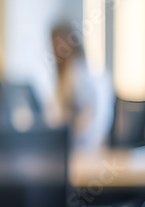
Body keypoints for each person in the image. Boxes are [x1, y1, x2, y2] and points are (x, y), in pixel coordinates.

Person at [47, 21, 113, 149]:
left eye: (61, 40)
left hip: (88, 146)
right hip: (71, 145)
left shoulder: (83, 73)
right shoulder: (64, 72)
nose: (57, 47)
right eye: (54, 42)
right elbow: (56, 113)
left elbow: (93, 117)